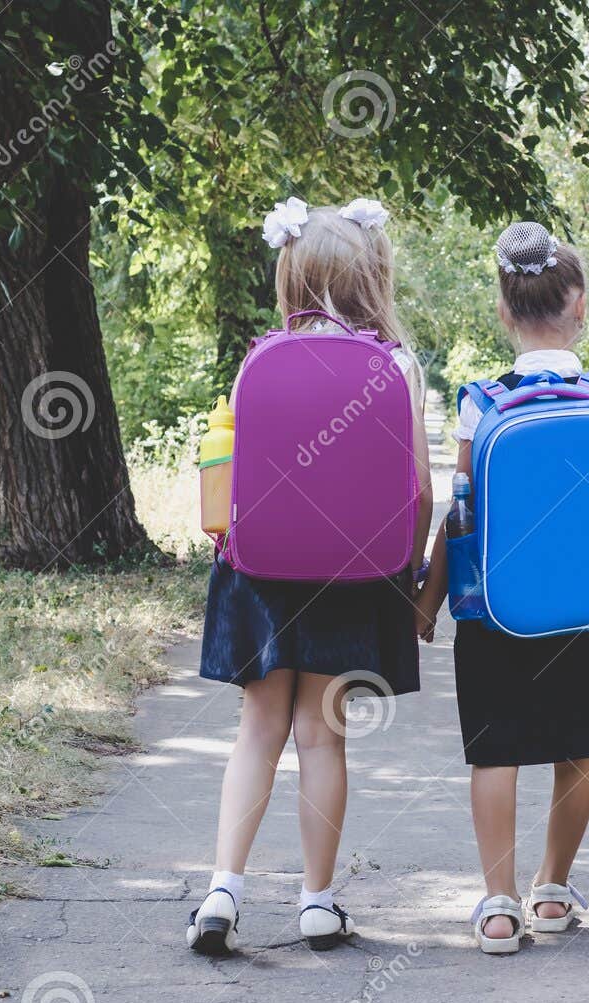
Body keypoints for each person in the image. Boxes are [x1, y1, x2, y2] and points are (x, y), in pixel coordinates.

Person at [415, 222, 589, 955]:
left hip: (497, 611)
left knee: (495, 754)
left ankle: (499, 907)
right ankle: (554, 890)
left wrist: (429, 597)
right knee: (579, 748)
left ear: (503, 312)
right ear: (581, 307)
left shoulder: (481, 401)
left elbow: (461, 512)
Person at [187, 196, 432, 954]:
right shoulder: (397, 365)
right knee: (322, 740)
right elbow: (418, 490)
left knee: (257, 732)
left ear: (290, 274)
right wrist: (411, 575)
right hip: (353, 578)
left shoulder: (258, 360)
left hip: (262, 575)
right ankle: (317, 901)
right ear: (374, 276)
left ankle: (223, 888)